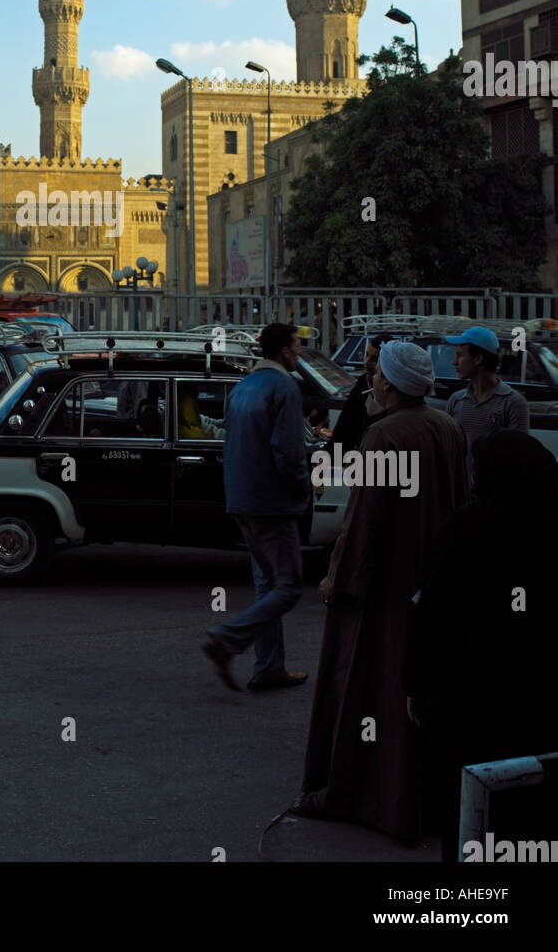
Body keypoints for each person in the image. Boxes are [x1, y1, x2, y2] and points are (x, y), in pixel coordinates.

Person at [293, 340, 469, 841]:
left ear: (388, 382)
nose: (372, 381)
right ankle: (420, 801)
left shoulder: (384, 435)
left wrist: (338, 577)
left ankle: (361, 797)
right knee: (419, 695)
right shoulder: (448, 427)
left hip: (384, 590)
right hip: (430, 584)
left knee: (366, 691)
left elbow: (366, 520)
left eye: (376, 375)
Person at [403, 430, 558, 861]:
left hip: (470, 700)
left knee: (470, 808)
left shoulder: (465, 529)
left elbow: (430, 612)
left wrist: (416, 684)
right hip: (539, 700)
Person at [202, 323, 310, 693]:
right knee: (290, 586)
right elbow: (289, 453)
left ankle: (269, 668)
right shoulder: (285, 388)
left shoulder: (242, 388)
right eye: (297, 347)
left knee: (268, 585)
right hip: (272, 503)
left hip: (242, 499)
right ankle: (227, 639)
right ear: (283, 351)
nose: (299, 354)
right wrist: (303, 489)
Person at [444, 326, 530, 483]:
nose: (454, 362)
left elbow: (521, 458)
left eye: (459, 355)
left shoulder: (513, 403)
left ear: (478, 359)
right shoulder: (456, 400)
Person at [329, 332, 393, 451]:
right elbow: (345, 424)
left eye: (374, 358)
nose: (367, 362)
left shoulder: (396, 390)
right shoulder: (363, 382)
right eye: (366, 355)